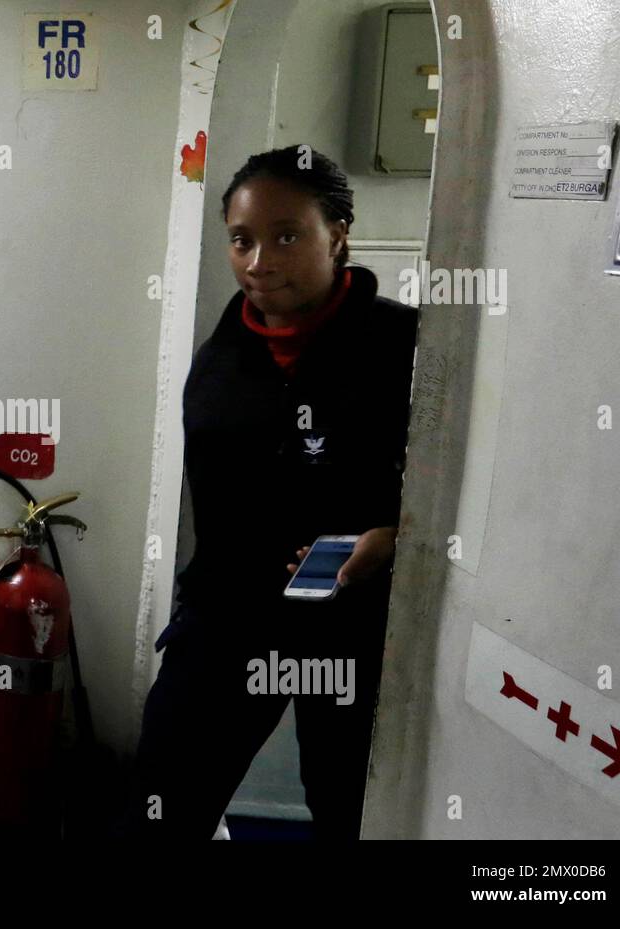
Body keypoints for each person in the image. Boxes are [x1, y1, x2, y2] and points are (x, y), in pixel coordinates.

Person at [125, 146, 419, 839]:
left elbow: (461, 486)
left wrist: (397, 539)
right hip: (232, 615)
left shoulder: (406, 347)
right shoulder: (221, 363)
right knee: (160, 804)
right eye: (242, 239)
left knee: (350, 807)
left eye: (287, 235)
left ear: (337, 235)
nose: (259, 261)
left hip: (357, 619)